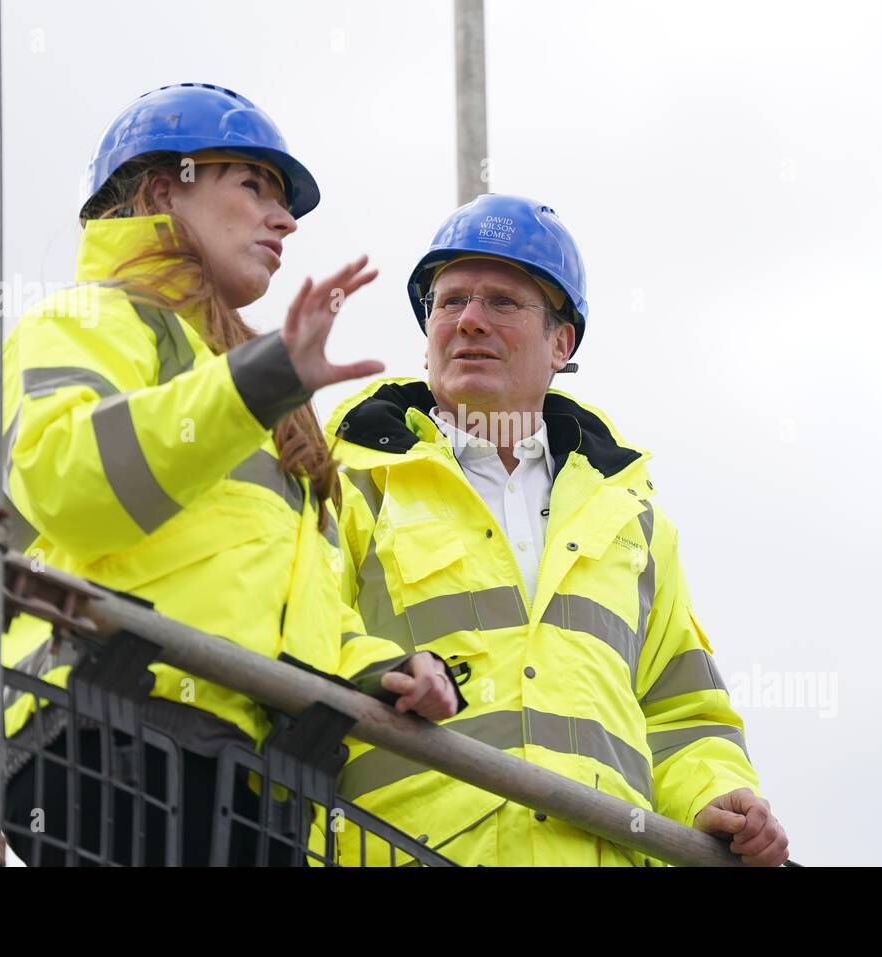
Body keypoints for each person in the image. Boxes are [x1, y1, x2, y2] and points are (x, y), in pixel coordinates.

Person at [0, 83, 460, 866]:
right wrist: (252, 383)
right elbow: (70, 483)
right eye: (252, 185)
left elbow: (289, 602)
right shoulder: (89, 316)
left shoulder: (260, 385)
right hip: (109, 727)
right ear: (158, 189)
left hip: (253, 774)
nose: (284, 221)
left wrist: (381, 669)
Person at [326, 193, 788, 866]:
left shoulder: (630, 518)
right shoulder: (351, 474)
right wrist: (380, 670)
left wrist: (718, 794)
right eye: (449, 301)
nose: (470, 321)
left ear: (561, 343)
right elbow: (294, 627)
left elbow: (682, 711)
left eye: (502, 303)